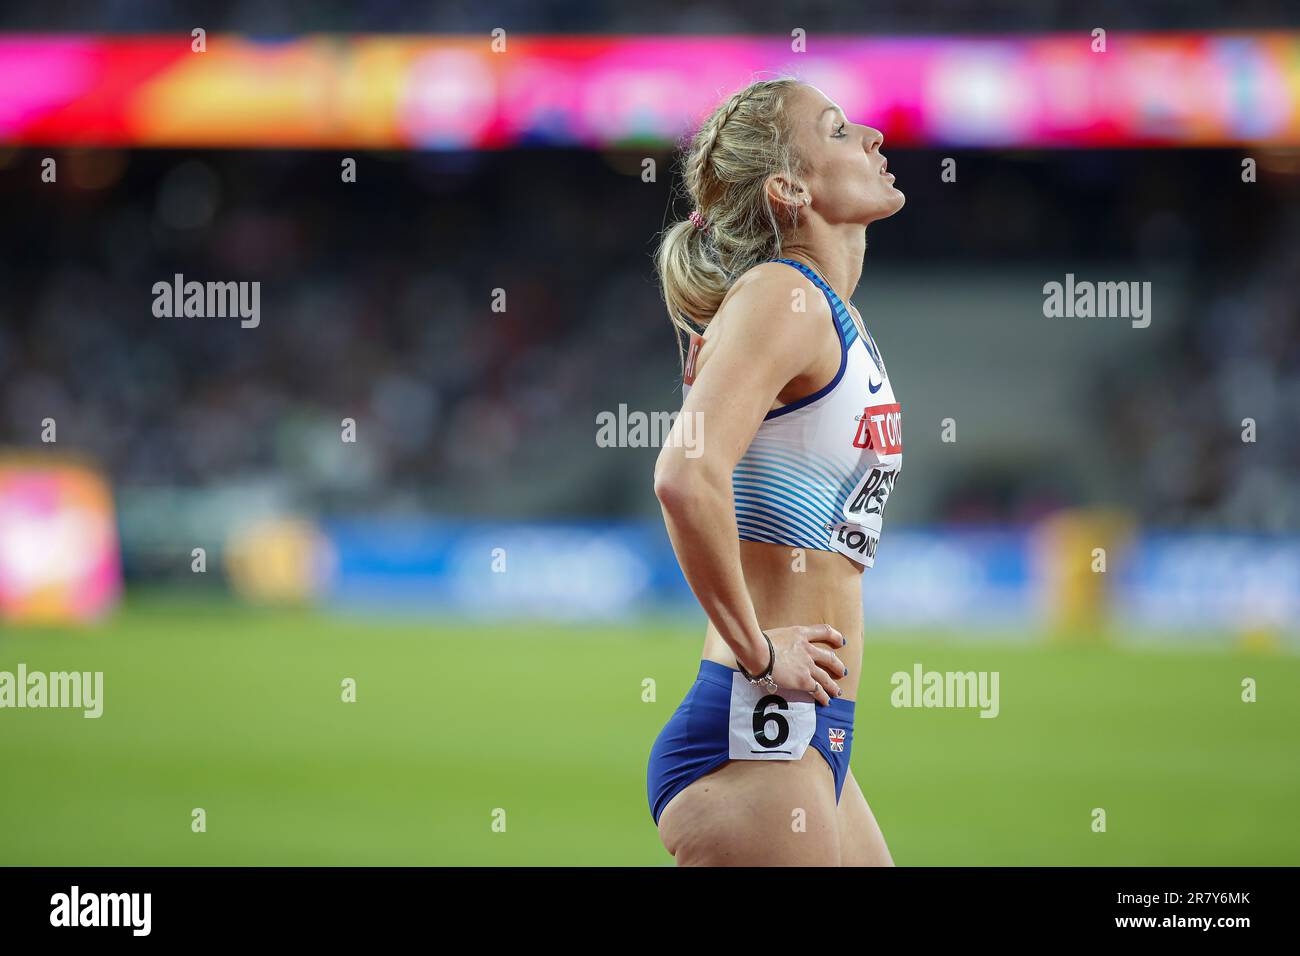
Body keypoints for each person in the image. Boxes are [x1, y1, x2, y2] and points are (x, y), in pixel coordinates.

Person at [645, 77, 905, 866]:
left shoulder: (832, 314)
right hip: (756, 724)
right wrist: (759, 653)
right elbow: (685, 476)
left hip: (808, 731)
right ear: (790, 187)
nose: (872, 137)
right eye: (837, 130)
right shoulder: (782, 295)